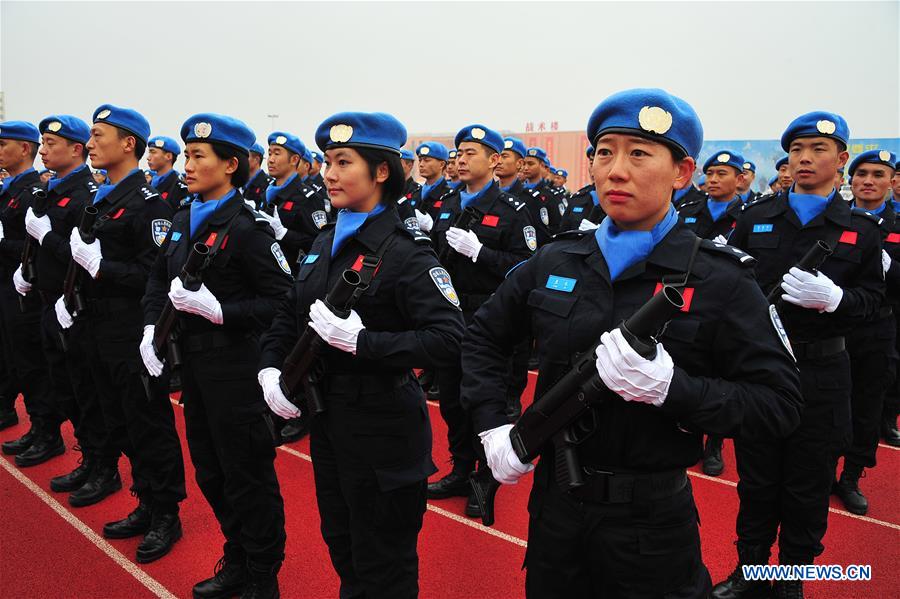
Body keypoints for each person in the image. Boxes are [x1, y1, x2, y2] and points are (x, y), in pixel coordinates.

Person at [461, 88, 803, 598]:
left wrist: (672, 389)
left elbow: (779, 405)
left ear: (681, 173)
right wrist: (493, 425)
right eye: (604, 153)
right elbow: (483, 337)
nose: (616, 171)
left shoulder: (721, 279)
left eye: (639, 154)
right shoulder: (556, 260)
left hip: (651, 524)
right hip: (556, 514)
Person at [258, 111, 465, 597]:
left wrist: (362, 343)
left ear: (381, 171)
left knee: (383, 562)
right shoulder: (324, 241)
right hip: (329, 423)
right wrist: (269, 368)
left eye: (343, 162)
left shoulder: (407, 252)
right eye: (327, 161)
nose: (328, 173)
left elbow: (450, 339)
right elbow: (289, 311)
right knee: (343, 546)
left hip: (383, 430)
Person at [717, 111, 884, 599]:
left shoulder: (861, 229)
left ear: (841, 158)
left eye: (818, 149)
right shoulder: (757, 218)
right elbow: (727, 286)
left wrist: (837, 300)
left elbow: (874, 303)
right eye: (796, 150)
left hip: (822, 371)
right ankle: (750, 573)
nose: (804, 158)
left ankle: (790, 580)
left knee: (808, 484)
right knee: (756, 481)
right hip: (761, 368)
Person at [141, 112, 291, 599]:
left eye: (198, 156)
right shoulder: (182, 218)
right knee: (210, 470)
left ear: (229, 165)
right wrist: (151, 326)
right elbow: (157, 279)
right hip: (194, 367)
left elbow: (282, 302)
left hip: (236, 368)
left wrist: (223, 311)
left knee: (247, 473)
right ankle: (238, 555)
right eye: (186, 154)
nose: (187, 164)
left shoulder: (248, 228)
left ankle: (262, 573)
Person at [57, 104, 186, 563]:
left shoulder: (150, 205)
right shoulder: (103, 198)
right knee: (120, 420)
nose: (90, 144)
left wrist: (102, 268)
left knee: (148, 422)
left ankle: (166, 511)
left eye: (98, 135)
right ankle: (145, 499)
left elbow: (155, 275)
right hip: (96, 325)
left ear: (128, 143)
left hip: (131, 329)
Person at [426, 124, 536, 517]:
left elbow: (527, 267)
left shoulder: (512, 211)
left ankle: (486, 477)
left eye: (470, 152)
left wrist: (481, 253)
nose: (460, 159)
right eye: (458, 153)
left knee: (484, 400)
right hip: (451, 316)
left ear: (494, 160)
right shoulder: (448, 204)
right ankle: (461, 468)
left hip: (490, 320)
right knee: (452, 400)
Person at [14, 115, 111, 494]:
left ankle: (103, 466)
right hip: (48, 301)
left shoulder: (86, 193)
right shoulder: (50, 190)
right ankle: (88, 457)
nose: (44, 150)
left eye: (51, 143)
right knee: (64, 385)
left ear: (75, 149)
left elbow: (81, 256)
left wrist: (46, 237)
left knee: (85, 391)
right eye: (42, 142)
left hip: (74, 307)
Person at [833, 149, 898, 516]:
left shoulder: (896, 224)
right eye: (862, 174)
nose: (868, 181)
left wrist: (889, 266)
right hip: (836, 326)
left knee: (867, 405)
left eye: (878, 174)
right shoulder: (834, 219)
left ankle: (851, 475)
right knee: (828, 403)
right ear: (851, 179)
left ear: (891, 182)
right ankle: (824, 467)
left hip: (877, 328)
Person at [678, 150, 750, 477]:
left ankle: (714, 444)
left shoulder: (747, 216)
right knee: (689, 366)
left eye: (722, 174)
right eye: (710, 174)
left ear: (740, 179)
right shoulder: (689, 210)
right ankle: (689, 431)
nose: (714, 179)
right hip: (685, 300)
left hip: (725, 304)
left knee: (722, 371)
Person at [0, 120, 59, 466]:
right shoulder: (10, 190)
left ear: (24, 148)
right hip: (6, 286)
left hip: (24, 290)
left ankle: (47, 432)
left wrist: (2, 244)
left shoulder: (32, 192)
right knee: (14, 357)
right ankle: (36, 426)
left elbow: (33, 246)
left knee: (33, 363)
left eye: (3, 144)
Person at [521, 147, 565, 246]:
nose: (526, 168)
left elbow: (556, 227)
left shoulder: (551, 196)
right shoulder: (517, 192)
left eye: (531, 164)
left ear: (541, 166)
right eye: (524, 164)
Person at [408, 141, 451, 233]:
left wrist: (430, 226)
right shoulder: (416, 193)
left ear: (441, 164)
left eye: (427, 160)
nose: (421, 164)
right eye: (420, 160)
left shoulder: (450, 196)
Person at [147, 136, 190, 210]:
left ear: (168, 156)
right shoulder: (148, 185)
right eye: (149, 152)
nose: (148, 158)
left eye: (153, 152)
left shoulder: (180, 189)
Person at [243, 141, 273, 210]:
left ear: (256, 159)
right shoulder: (239, 180)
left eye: (246, 156)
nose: (242, 159)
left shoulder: (268, 185)